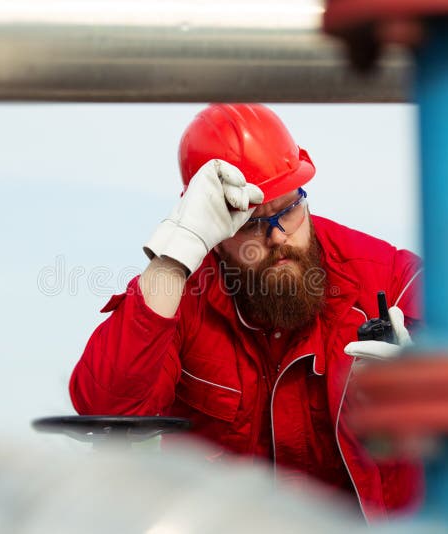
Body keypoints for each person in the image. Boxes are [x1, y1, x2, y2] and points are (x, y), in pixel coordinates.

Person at [69, 104, 423, 522]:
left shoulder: (389, 279)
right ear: (213, 229)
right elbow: (107, 408)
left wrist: (424, 381)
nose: (275, 236)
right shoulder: (181, 292)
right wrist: (174, 256)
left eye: (288, 209)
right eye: (249, 223)